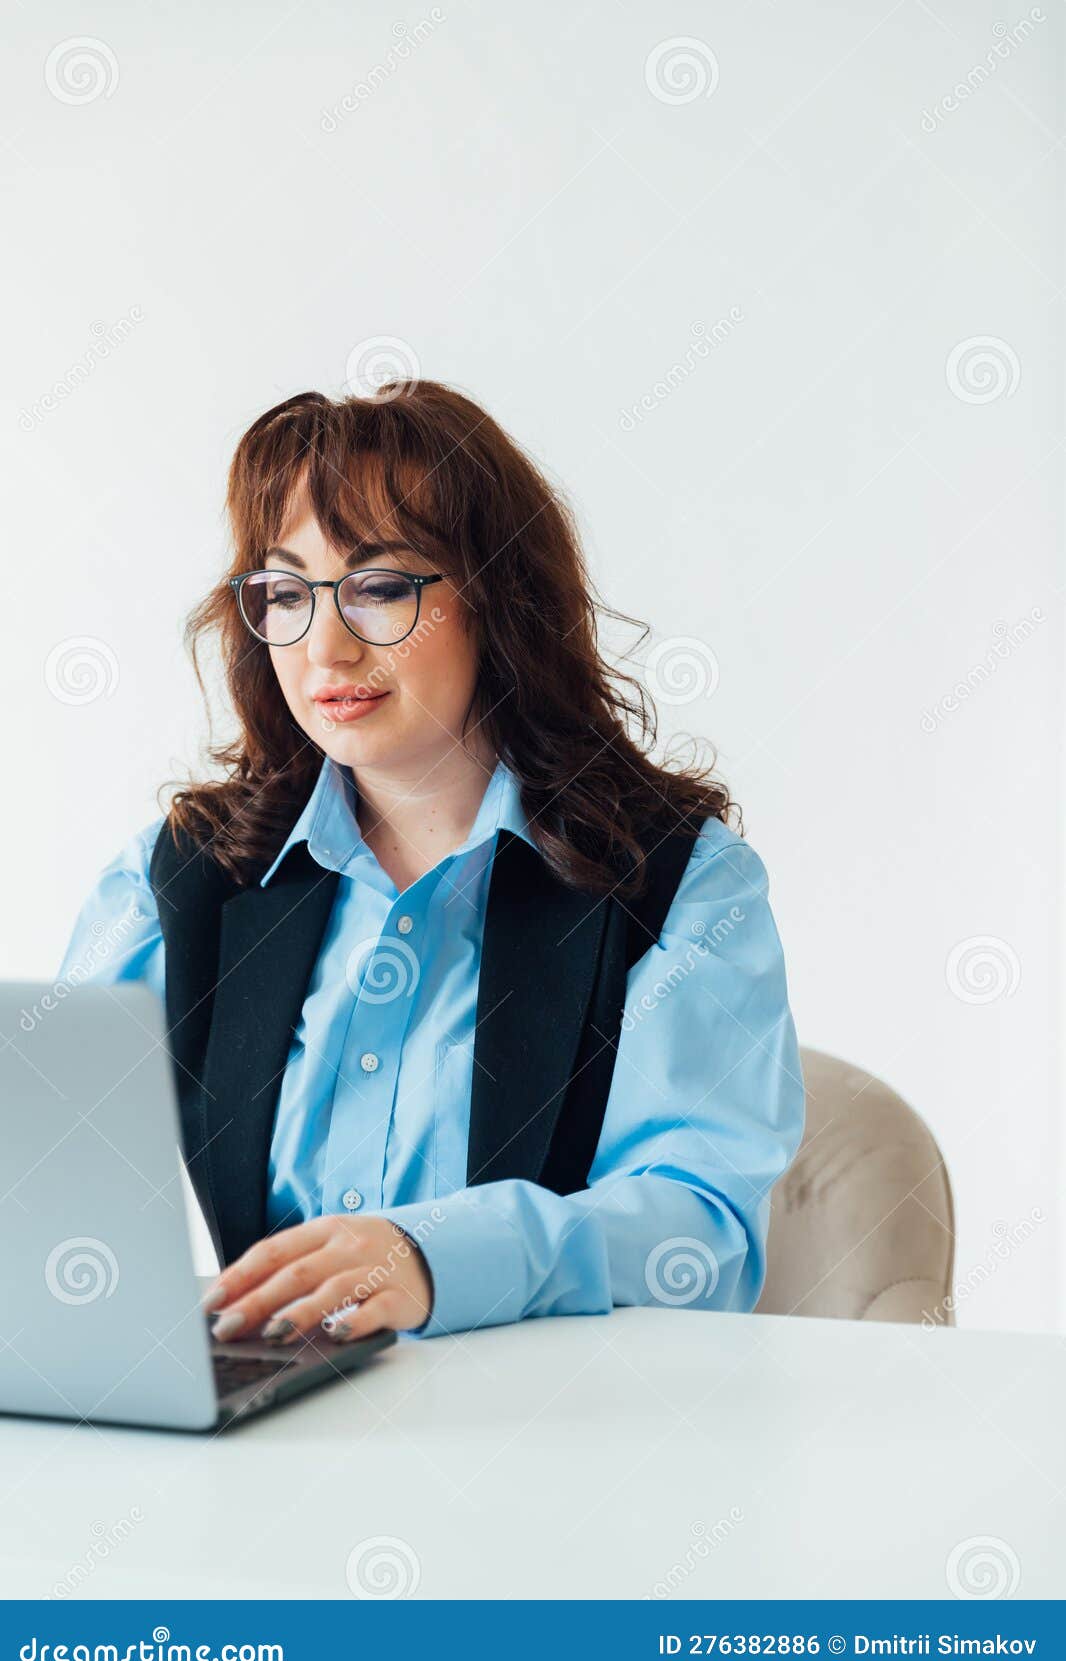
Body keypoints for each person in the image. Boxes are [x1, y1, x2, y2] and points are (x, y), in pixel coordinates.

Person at [59, 382, 805, 1348]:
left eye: (380, 587)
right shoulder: (179, 881)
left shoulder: (678, 882)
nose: (324, 645)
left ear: (499, 599)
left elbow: (701, 1235)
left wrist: (434, 1257)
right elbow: (48, 1170)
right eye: (284, 593)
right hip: (262, 1442)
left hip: (552, 1450)